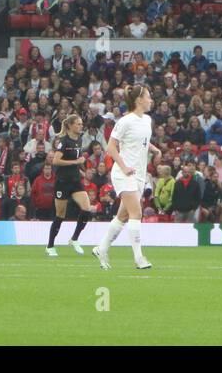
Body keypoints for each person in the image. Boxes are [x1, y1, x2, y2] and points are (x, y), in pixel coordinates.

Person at [93, 87, 161, 270]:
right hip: (124, 174)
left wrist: (154, 149)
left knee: (123, 216)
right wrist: (123, 166)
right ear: (139, 100)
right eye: (148, 96)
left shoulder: (147, 120)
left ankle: (101, 248)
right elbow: (111, 147)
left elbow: (141, 141)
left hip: (138, 174)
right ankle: (139, 258)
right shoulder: (125, 121)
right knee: (136, 213)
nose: (150, 100)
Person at [47, 114, 94, 256]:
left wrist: (81, 171)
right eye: (78, 124)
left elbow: (76, 160)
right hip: (62, 183)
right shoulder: (63, 142)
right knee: (60, 215)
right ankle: (50, 246)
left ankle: (74, 239)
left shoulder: (79, 140)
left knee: (86, 209)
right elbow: (55, 161)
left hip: (75, 182)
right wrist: (75, 162)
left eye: (81, 124)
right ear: (70, 126)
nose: (81, 126)